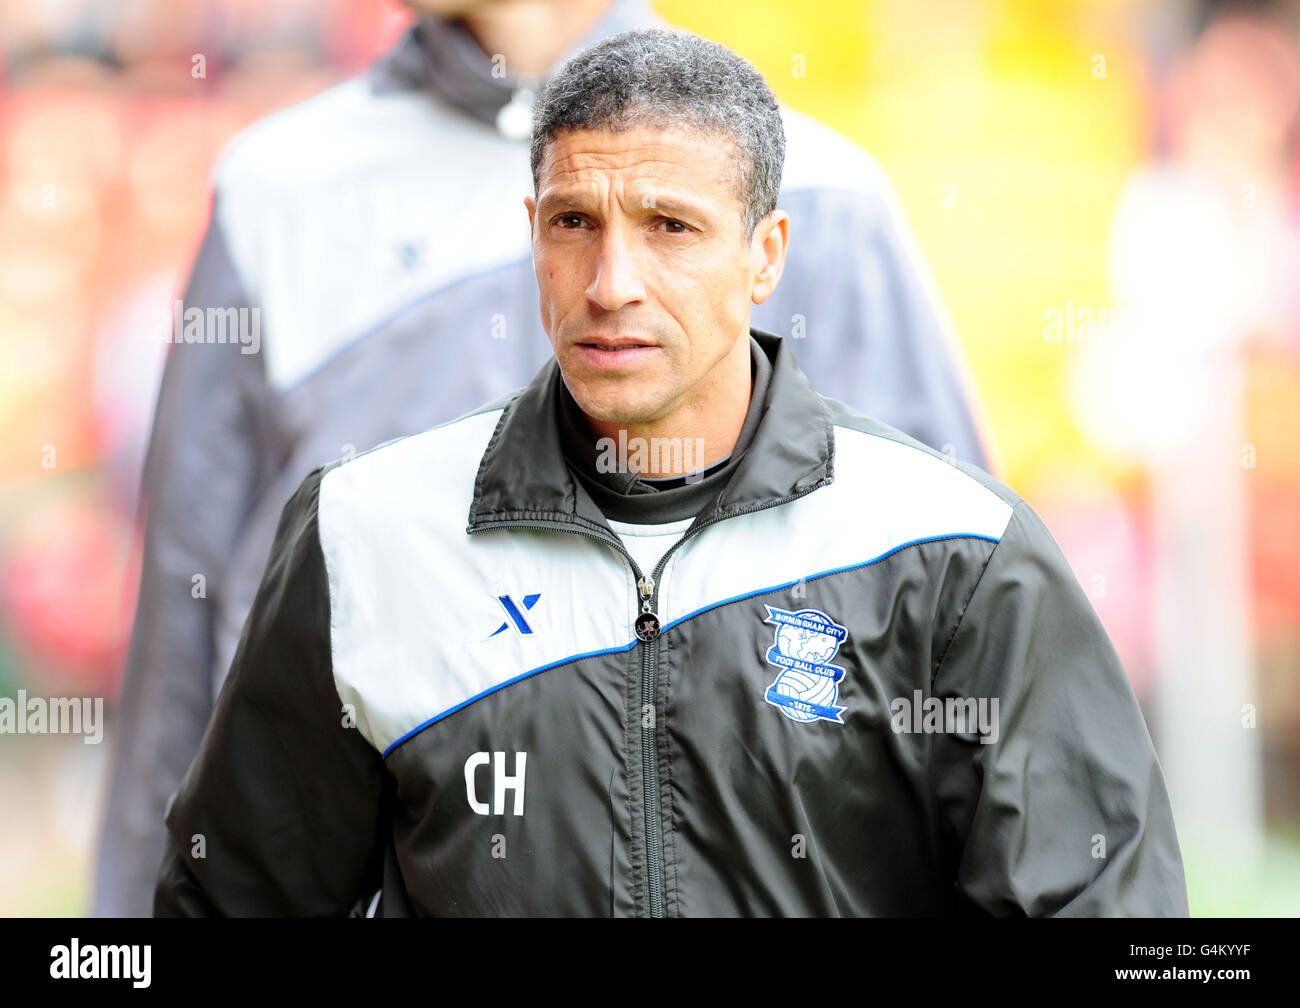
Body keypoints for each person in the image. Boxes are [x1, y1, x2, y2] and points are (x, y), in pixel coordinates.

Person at [155, 28, 1186, 917]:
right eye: (574, 224)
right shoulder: (370, 534)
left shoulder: (954, 554)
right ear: (531, 239)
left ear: (765, 254)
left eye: (669, 228)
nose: (611, 284)